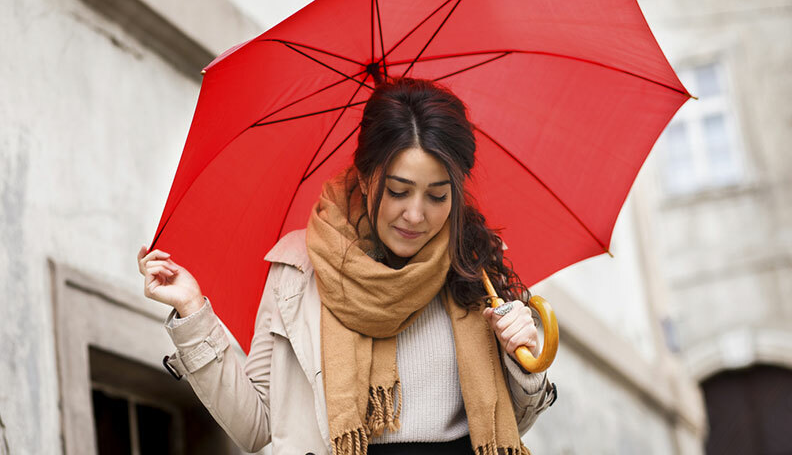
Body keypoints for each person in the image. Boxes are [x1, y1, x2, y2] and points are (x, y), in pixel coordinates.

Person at [137, 77, 556, 455]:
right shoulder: (298, 270)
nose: (415, 215)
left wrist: (522, 361)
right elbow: (256, 426)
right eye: (398, 190)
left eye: (437, 196)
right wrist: (193, 313)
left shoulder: (473, 266)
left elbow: (507, 427)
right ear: (367, 175)